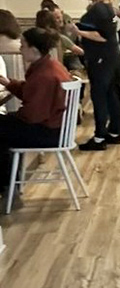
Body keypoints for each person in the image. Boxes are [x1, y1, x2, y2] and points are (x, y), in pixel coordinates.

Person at [0, 27, 71, 193]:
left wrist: (13, 116)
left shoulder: (43, 75)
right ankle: (8, 182)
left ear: (34, 49)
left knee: (3, 128)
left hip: (48, 132)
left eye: (23, 45)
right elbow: (31, 94)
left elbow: (32, 115)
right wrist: (9, 83)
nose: (20, 49)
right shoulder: (51, 65)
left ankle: (6, 182)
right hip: (56, 127)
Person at [75, 0, 120, 151]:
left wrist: (78, 32)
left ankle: (100, 136)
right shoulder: (105, 6)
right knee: (110, 94)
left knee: (100, 96)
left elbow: (102, 36)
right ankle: (114, 132)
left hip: (101, 57)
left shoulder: (99, 9)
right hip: (110, 55)